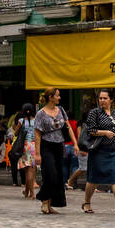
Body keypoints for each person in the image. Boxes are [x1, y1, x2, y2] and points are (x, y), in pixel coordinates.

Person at [82, 90, 115, 215]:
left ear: (111, 100)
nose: (102, 100)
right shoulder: (95, 112)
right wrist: (105, 132)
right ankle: (87, 202)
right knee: (94, 178)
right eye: (100, 98)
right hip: (99, 150)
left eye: (105, 98)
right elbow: (91, 130)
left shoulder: (114, 113)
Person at [35, 87, 71, 215]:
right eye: (57, 95)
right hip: (46, 146)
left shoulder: (60, 110)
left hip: (59, 145)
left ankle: (49, 204)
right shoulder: (41, 113)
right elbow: (37, 134)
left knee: (58, 176)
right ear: (50, 97)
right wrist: (37, 153)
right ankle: (44, 200)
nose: (59, 97)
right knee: (51, 174)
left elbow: (68, 127)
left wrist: (76, 144)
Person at [15, 103, 38, 198]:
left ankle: (32, 193)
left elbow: (16, 133)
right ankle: (27, 191)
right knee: (31, 170)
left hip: (25, 146)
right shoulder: (36, 120)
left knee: (28, 171)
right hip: (35, 145)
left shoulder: (21, 121)